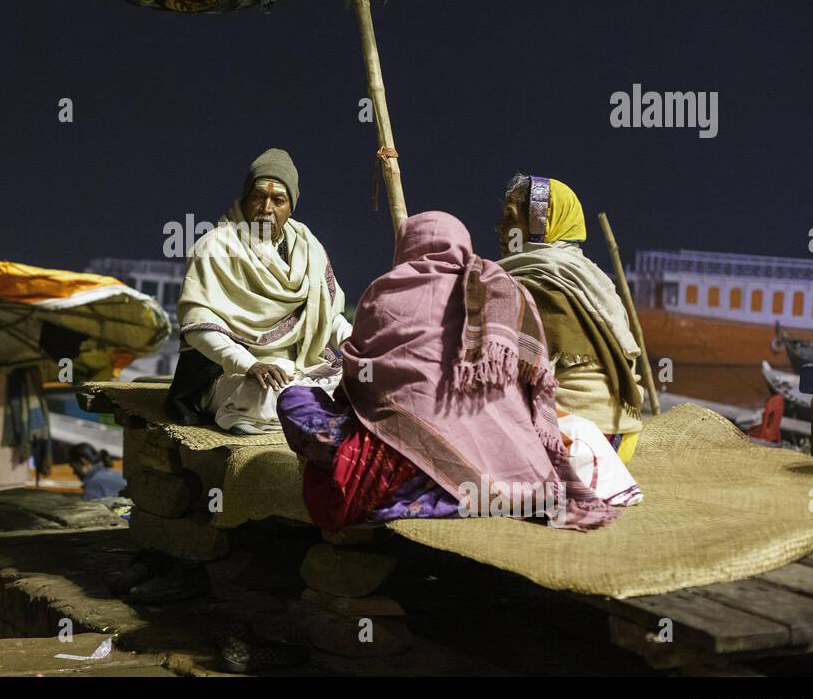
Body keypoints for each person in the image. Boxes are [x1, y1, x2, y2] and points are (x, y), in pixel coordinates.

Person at [277, 211, 631, 533]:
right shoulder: (504, 291)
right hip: (505, 470)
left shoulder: (383, 293)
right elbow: (531, 386)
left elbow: (358, 380)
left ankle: (426, 485)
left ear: (406, 247)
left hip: (394, 471)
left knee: (295, 399)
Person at [164, 148, 352, 434]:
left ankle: (303, 409)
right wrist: (249, 365)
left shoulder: (309, 247)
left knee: (362, 380)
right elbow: (197, 326)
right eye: (258, 197)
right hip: (235, 374)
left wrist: (356, 345)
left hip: (300, 368)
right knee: (265, 394)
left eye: (278, 200)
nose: (266, 208)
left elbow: (328, 315)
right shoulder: (215, 247)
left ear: (291, 207)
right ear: (245, 198)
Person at [495, 175, 644, 462]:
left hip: (570, 440)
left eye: (511, 219)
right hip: (621, 437)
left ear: (540, 224)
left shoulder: (531, 282)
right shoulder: (594, 279)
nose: (501, 229)